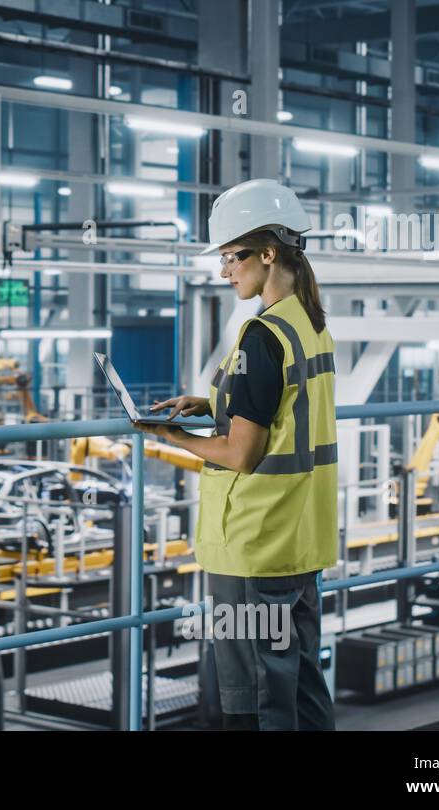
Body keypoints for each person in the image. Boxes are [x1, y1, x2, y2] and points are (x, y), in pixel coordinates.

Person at [136, 179, 338, 731]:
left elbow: (241, 454)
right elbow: (282, 409)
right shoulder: (309, 324)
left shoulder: (261, 334)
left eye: (231, 256)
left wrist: (167, 436)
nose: (224, 270)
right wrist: (212, 402)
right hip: (301, 536)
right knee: (300, 682)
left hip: (254, 543)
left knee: (253, 695)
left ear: (267, 254)